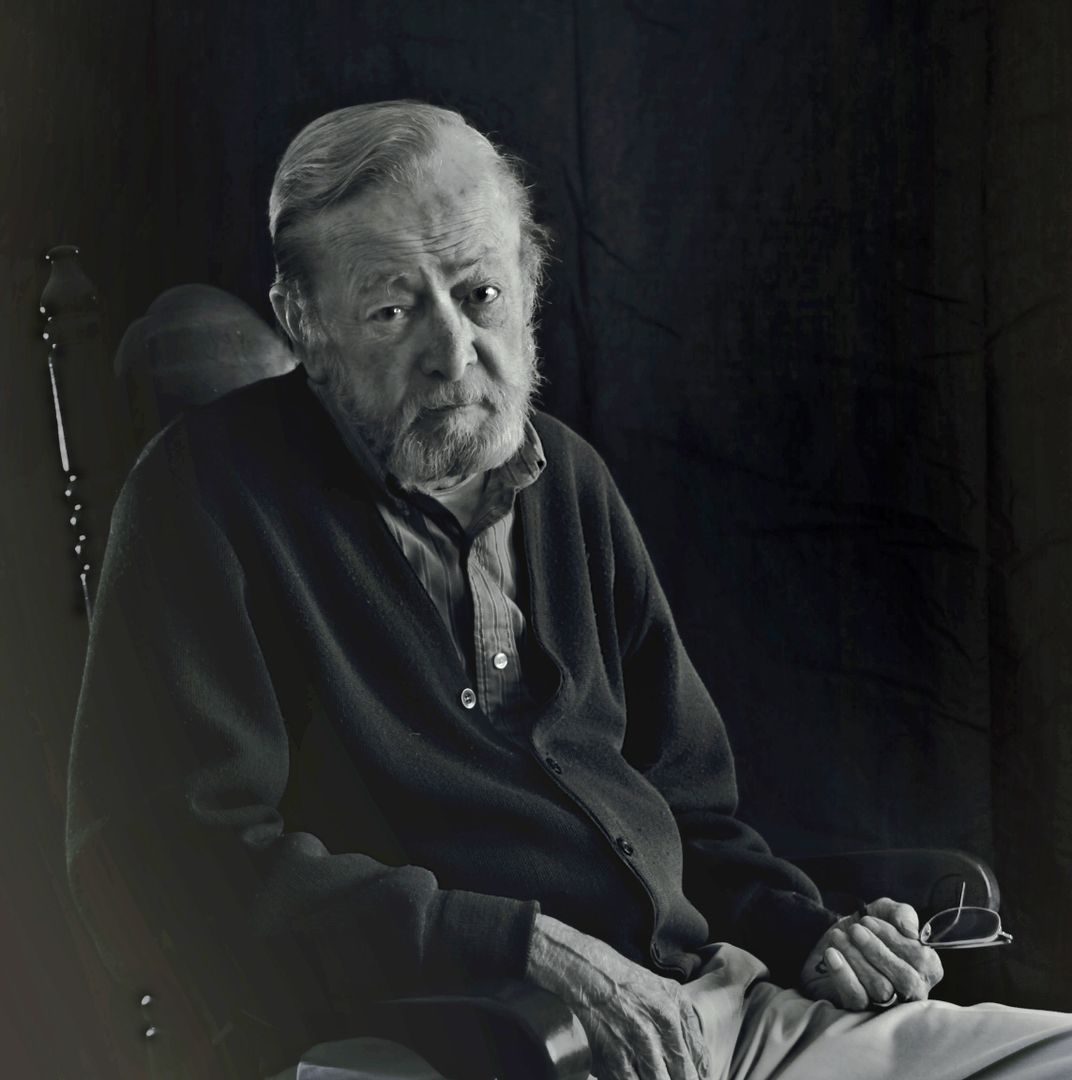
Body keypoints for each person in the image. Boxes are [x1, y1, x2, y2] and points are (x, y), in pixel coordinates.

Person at [67, 101, 1072, 1080]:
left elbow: (692, 814)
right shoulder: (202, 496)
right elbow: (169, 866)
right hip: (452, 1040)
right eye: (390, 308)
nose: (454, 355)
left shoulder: (567, 477)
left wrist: (804, 931)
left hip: (707, 1009)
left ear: (529, 278)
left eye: (479, 294)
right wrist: (518, 946)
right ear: (307, 321)